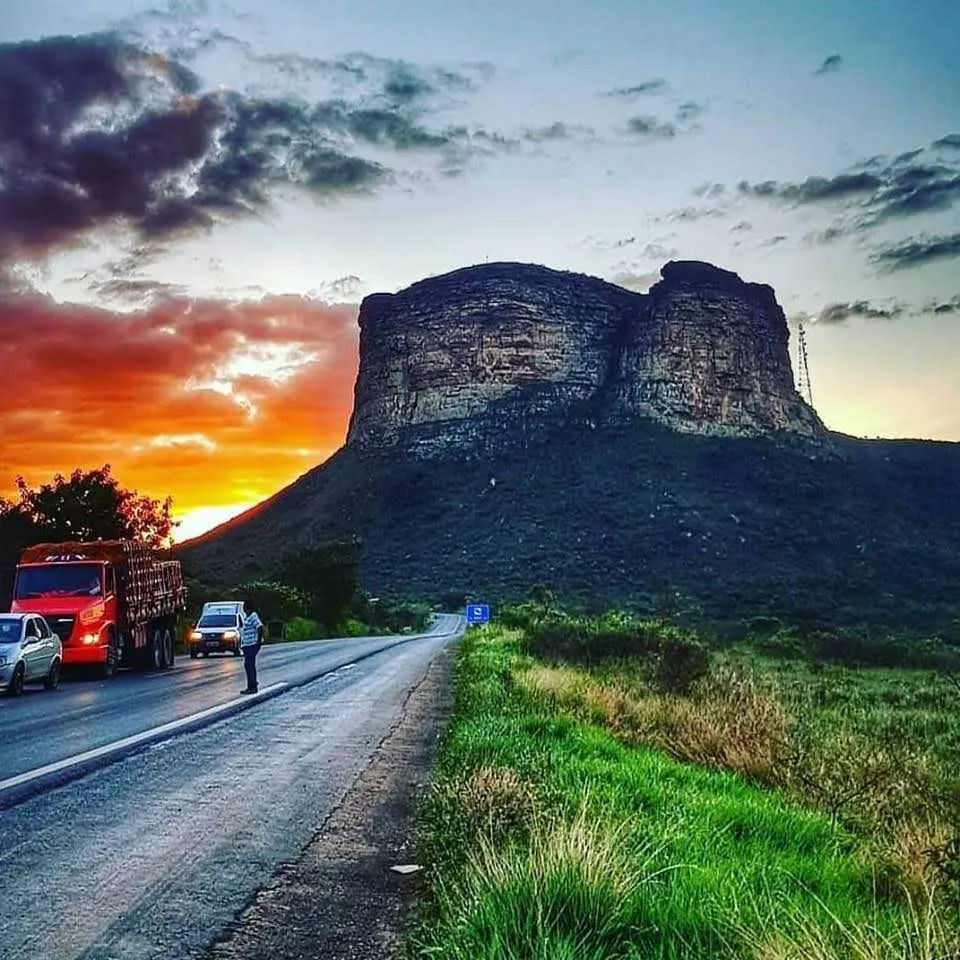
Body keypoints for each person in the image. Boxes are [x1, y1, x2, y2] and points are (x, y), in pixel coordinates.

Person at [239, 610, 263, 694]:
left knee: (249, 665)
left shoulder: (253, 616)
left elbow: (260, 627)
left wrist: (258, 642)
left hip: (252, 644)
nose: (244, 609)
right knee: (248, 665)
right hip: (247, 645)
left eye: (245, 607)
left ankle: (252, 687)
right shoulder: (247, 617)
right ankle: (251, 685)